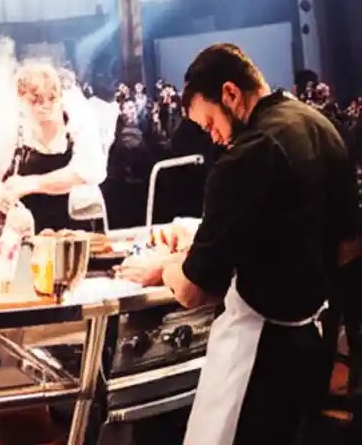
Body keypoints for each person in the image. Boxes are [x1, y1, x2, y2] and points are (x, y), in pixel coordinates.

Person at [118, 44, 362, 444]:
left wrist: (165, 267)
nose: (212, 137)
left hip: (257, 355)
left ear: (231, 93)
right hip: (310, 343)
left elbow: (195, 290)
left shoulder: (247, 156)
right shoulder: (320, 126)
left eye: (210, 121)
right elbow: (349, 243)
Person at [0, 61, 108, 231]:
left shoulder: (79, 117)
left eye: (51, 99)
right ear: (20, 100)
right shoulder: (4, 123)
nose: (45, 106)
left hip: (74, 230)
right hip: (19, 231)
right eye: (36, 101)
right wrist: (6, 202)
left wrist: (32, 183)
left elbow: (90, 170)